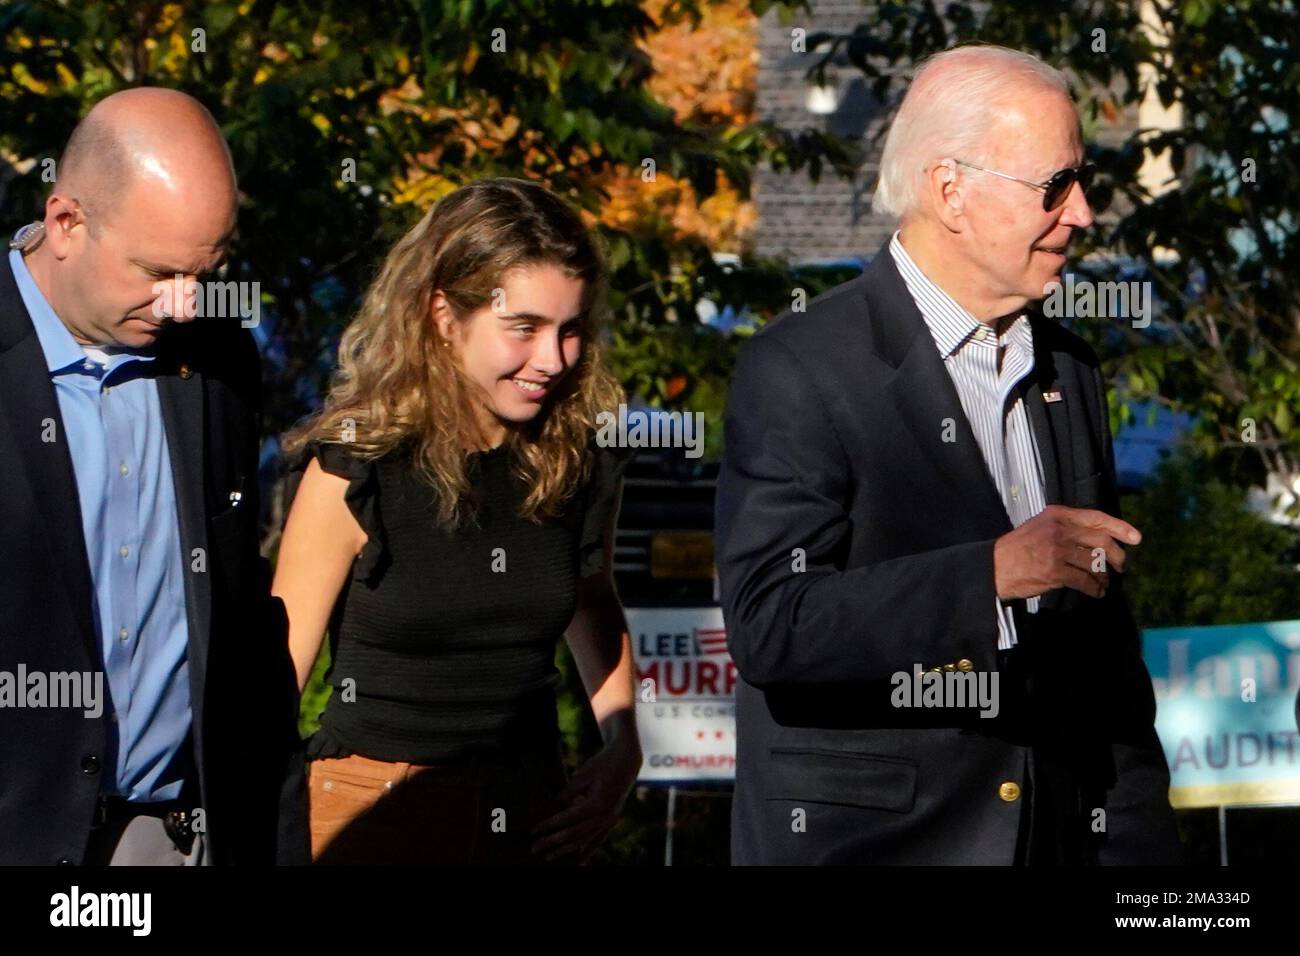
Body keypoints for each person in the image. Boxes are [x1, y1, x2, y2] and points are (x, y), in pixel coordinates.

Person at [715, 44, 1183, 865]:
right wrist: (989, 575)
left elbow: (1100, 659)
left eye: (1084, 182)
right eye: (1053, 187)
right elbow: (771, 626)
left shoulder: (1069, 370)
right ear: (949, 190)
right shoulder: (800, 364)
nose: (1081, 214)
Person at [273, 177, 641, 865]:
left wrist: (623, 748)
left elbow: (591, 596)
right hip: (370, 813)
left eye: (570, 330)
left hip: (533, 810)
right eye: (524, 328)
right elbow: (275, 674)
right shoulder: (357, 468)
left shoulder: (578, 462)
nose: (553, 360)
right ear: (444, 317)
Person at [0, 88, 307, 865]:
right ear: (66, 221)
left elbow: (238, 612)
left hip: (167, 837)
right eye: (160, 270)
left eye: (210, 270)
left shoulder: (216, 362)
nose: (187, 301)